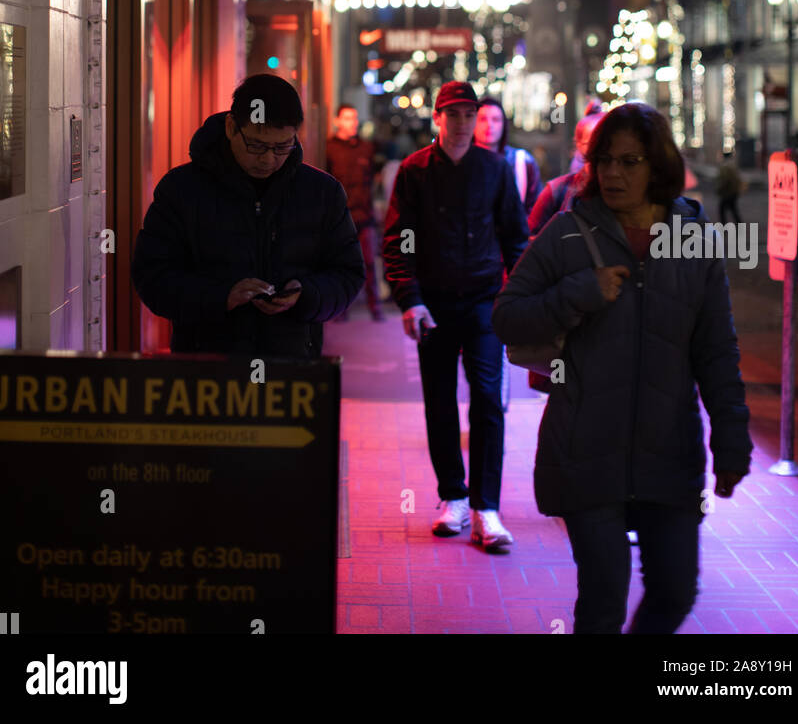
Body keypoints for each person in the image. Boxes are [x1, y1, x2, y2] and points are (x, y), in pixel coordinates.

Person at [492, 101, 752, 634]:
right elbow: (508, 319)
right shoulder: (567, 233)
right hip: (585, 449)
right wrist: (577, 293)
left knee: (676, 591)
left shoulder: (695, 241)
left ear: (657, 168)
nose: (611, 172)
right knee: (603, 599)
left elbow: (717, 351)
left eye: (628, 161)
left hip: (669, 451)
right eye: (604, 160)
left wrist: (731, 439)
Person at [382, 81, 528, 552]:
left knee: (488, 398)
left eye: (471, 114)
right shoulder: (415, 171)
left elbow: (515, 237)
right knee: (440, 402)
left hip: (486, 301)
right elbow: (399, 238)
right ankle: (453, 497)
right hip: (434, 304)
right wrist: (409, 298)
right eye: (456, 114)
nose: (465, 122)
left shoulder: (495, 168)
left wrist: (516, 296)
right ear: (438, 119)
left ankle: (488, 508)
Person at [132, 74, 365, 357]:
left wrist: (306, 294)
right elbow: (152, 276)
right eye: (256, 145)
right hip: (206, 369)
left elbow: (348, 273)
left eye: (282, 147)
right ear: (231, 127)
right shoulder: (182, 190)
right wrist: (221, 297)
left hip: (292, 368)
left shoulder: (321, 193)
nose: (268, 159)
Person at [326, 103, 385, 321]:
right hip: (341, 218)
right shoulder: (329, 148)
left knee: (369, 263)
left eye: (355, 118)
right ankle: (342, 309)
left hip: (364, 215)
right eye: (348, 118)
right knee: (341, 265)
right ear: (337, 121)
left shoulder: (366, 148)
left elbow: (373, 178)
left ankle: (375, 308)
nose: (353, 123)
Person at [529, 107, 604, 237]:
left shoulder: (622, 190)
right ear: (578, 145)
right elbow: (533, 241)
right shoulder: (557, 190)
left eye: (603, 142)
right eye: (591, 142)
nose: (598, 149)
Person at [474, 96, 543, 214]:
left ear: (504, 124)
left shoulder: (522, 162)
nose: (489, 125)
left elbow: (536, 212)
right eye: (482, 119)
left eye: (495, 119)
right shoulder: (462, 161)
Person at [715, 151, 745, 226]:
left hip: (728, 192)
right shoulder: (733, 165)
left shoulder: (725, 166)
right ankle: (739, 225)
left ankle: (723, 226)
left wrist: (719, 189)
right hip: (734, 191)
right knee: (733, 209)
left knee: (722, 210)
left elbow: (725, 180)